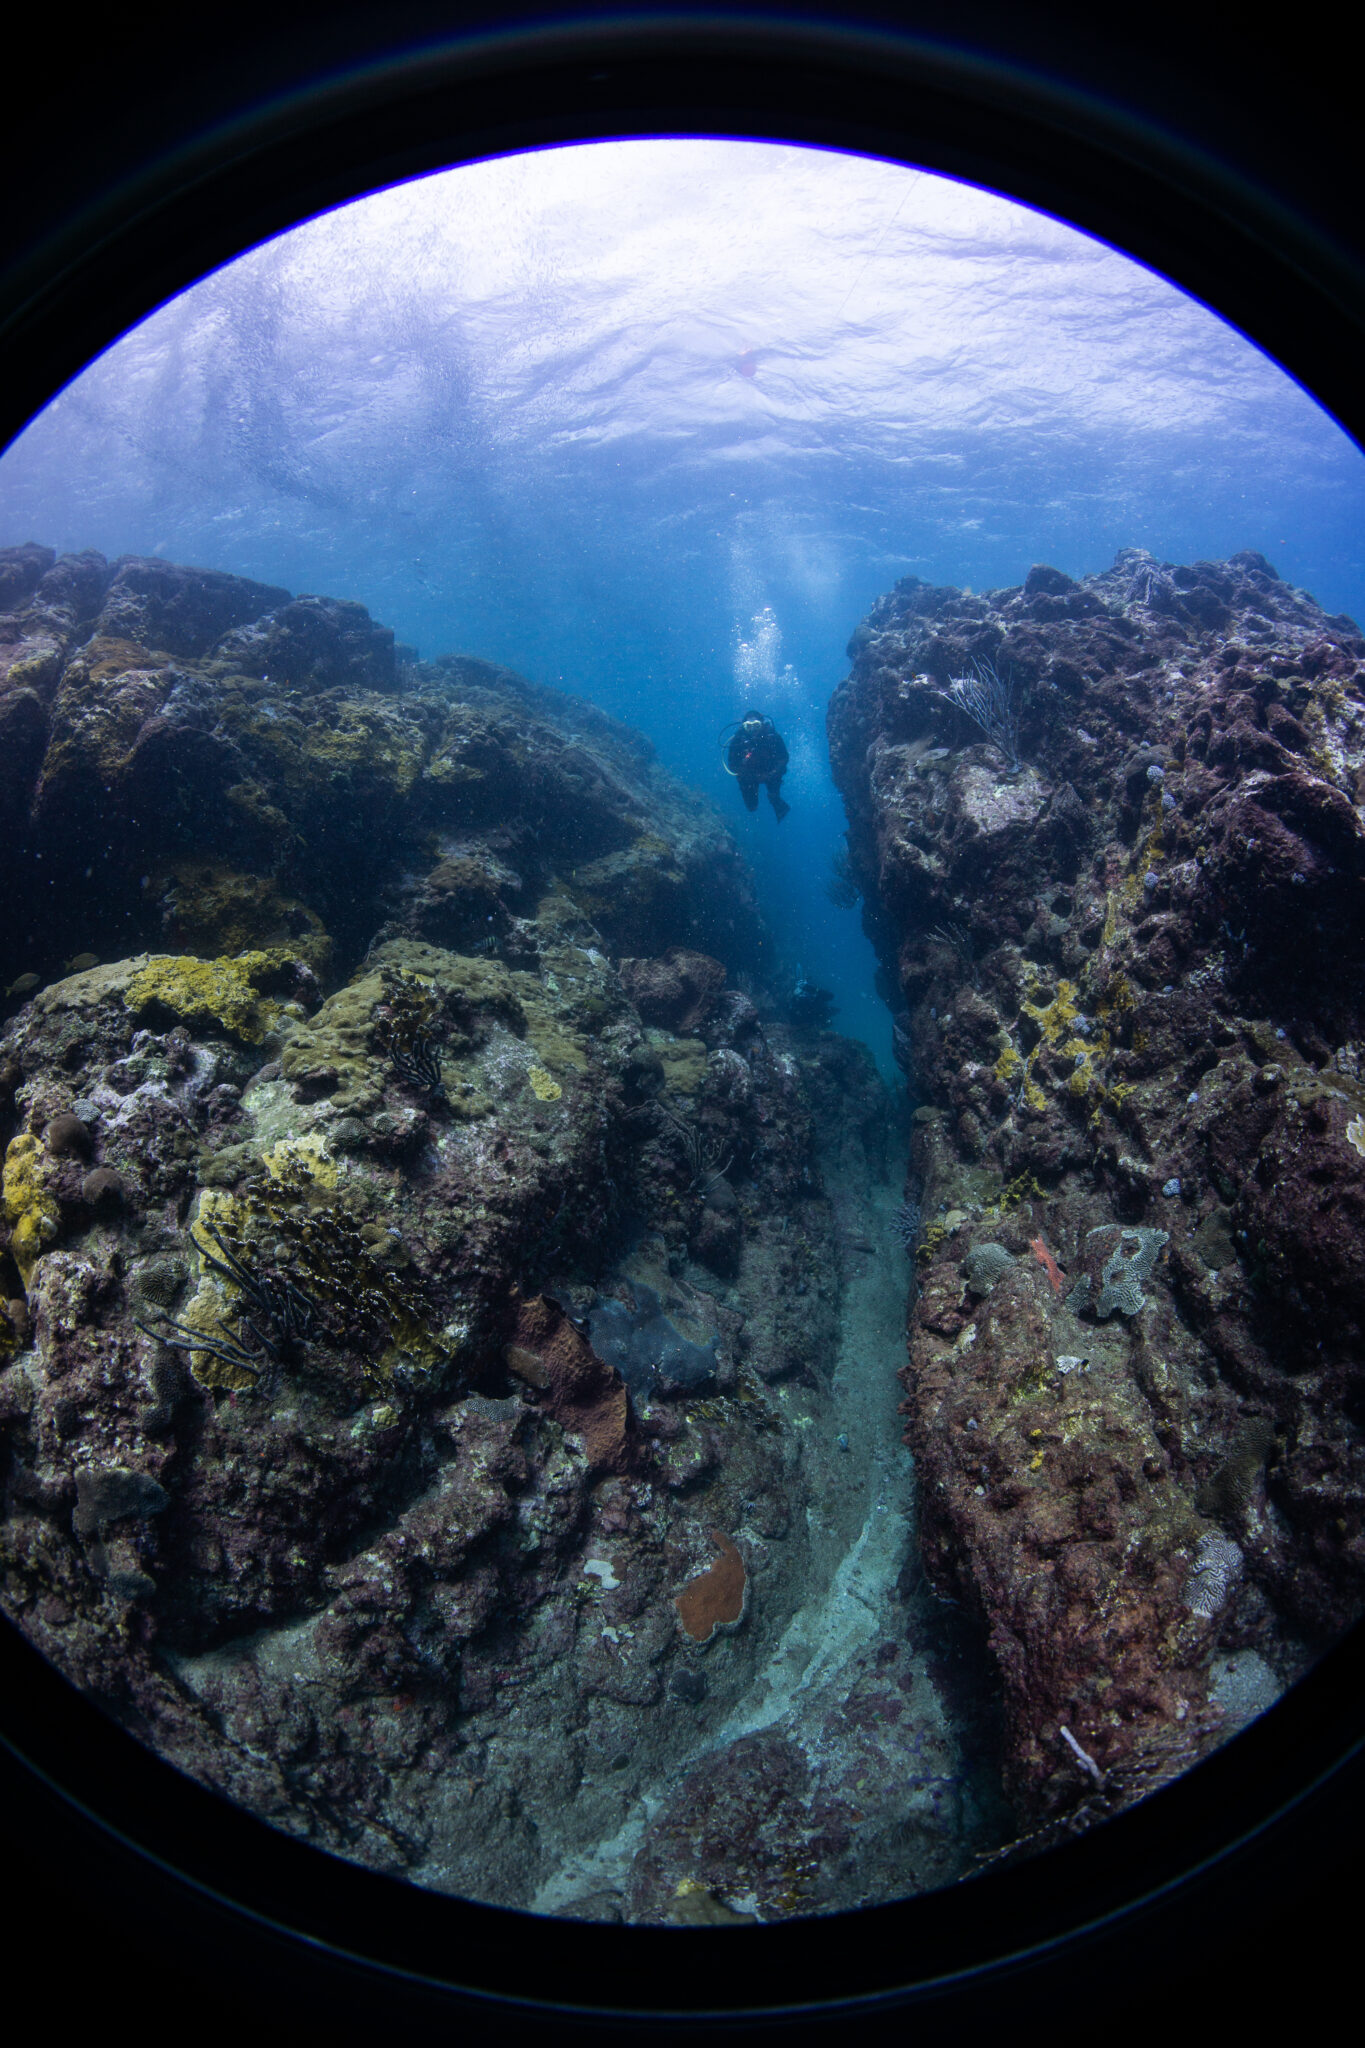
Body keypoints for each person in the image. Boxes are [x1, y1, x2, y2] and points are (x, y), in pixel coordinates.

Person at [725, 713, 790, 820]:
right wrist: (749, 775)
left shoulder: (773, 737)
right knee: (751, 807)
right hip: (749, 776)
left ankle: (778, 804)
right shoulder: (738, 740)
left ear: (762, 725)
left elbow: (784, 758)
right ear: (744, 726)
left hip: (771, 772)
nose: (753, 730)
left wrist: (773, 773)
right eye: (748, 726)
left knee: (774, 798)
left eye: (756, 725)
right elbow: (732, 764)